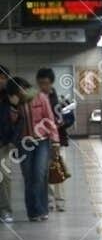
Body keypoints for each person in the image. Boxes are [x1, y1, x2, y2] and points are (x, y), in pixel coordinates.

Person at [13, 79, 58, 222]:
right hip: (23, 143)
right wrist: (14, 107)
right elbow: (12, 123)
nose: (20, 92)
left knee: (39, 174)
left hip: (42, 141)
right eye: (17, 91)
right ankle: (32, 212)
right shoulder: (15, 103)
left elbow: (49, 118)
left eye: (21, 89)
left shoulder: (40, 97)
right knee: (28, 177)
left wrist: (55, 139)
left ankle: (42, 209)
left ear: (26, 87)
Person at [37, 69, 71, 212]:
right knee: (44, 171)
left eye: (46, 83)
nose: (43, 86)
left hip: (59, 140)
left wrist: (61, 123)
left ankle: (60, 201)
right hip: (42, 141)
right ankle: (49, 201)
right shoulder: (35, 99)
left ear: (51, 82)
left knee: (58, 169)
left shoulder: (61, 100)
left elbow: (70, 118)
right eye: (40, 83)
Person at [0, 90, 18, 224]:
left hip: (3, 145)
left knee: (5, 177)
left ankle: (5, 211)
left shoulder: (9, 98)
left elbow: (18, 121)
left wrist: (13, 140)